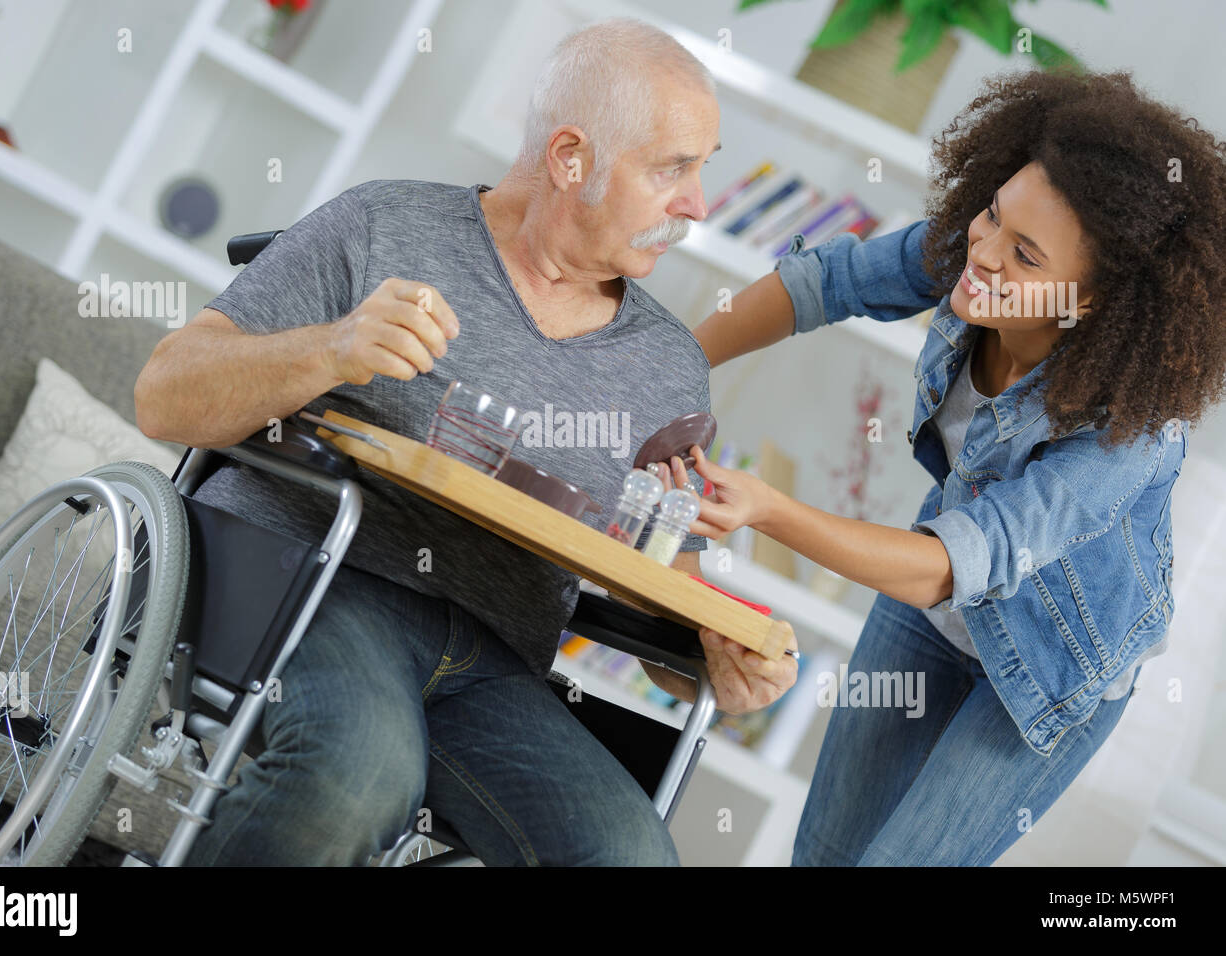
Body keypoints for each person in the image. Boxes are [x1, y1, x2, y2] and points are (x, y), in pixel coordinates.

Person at [134, 17, 797, 867]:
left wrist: (714, 650)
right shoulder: (384, 225)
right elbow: (165, 394)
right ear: (570, 158)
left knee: (630, 858)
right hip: (311, 576)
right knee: (358, 777)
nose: (698, 205)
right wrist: (331, 347)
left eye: (703, 169)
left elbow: (659, 578)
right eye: (673, 169)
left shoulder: (670, 368)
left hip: (493, 660)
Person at [662, 69, 1226, 865]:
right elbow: (822, 282)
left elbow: (959, 563)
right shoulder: (977, 257)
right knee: (822, 857)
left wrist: (769, 511)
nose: (985, 254)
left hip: (1046, 667)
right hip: (938, 613)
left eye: (1025, 256)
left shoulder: (1125, 439)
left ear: (1091, 302)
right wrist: (669, 368)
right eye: (992, 215)